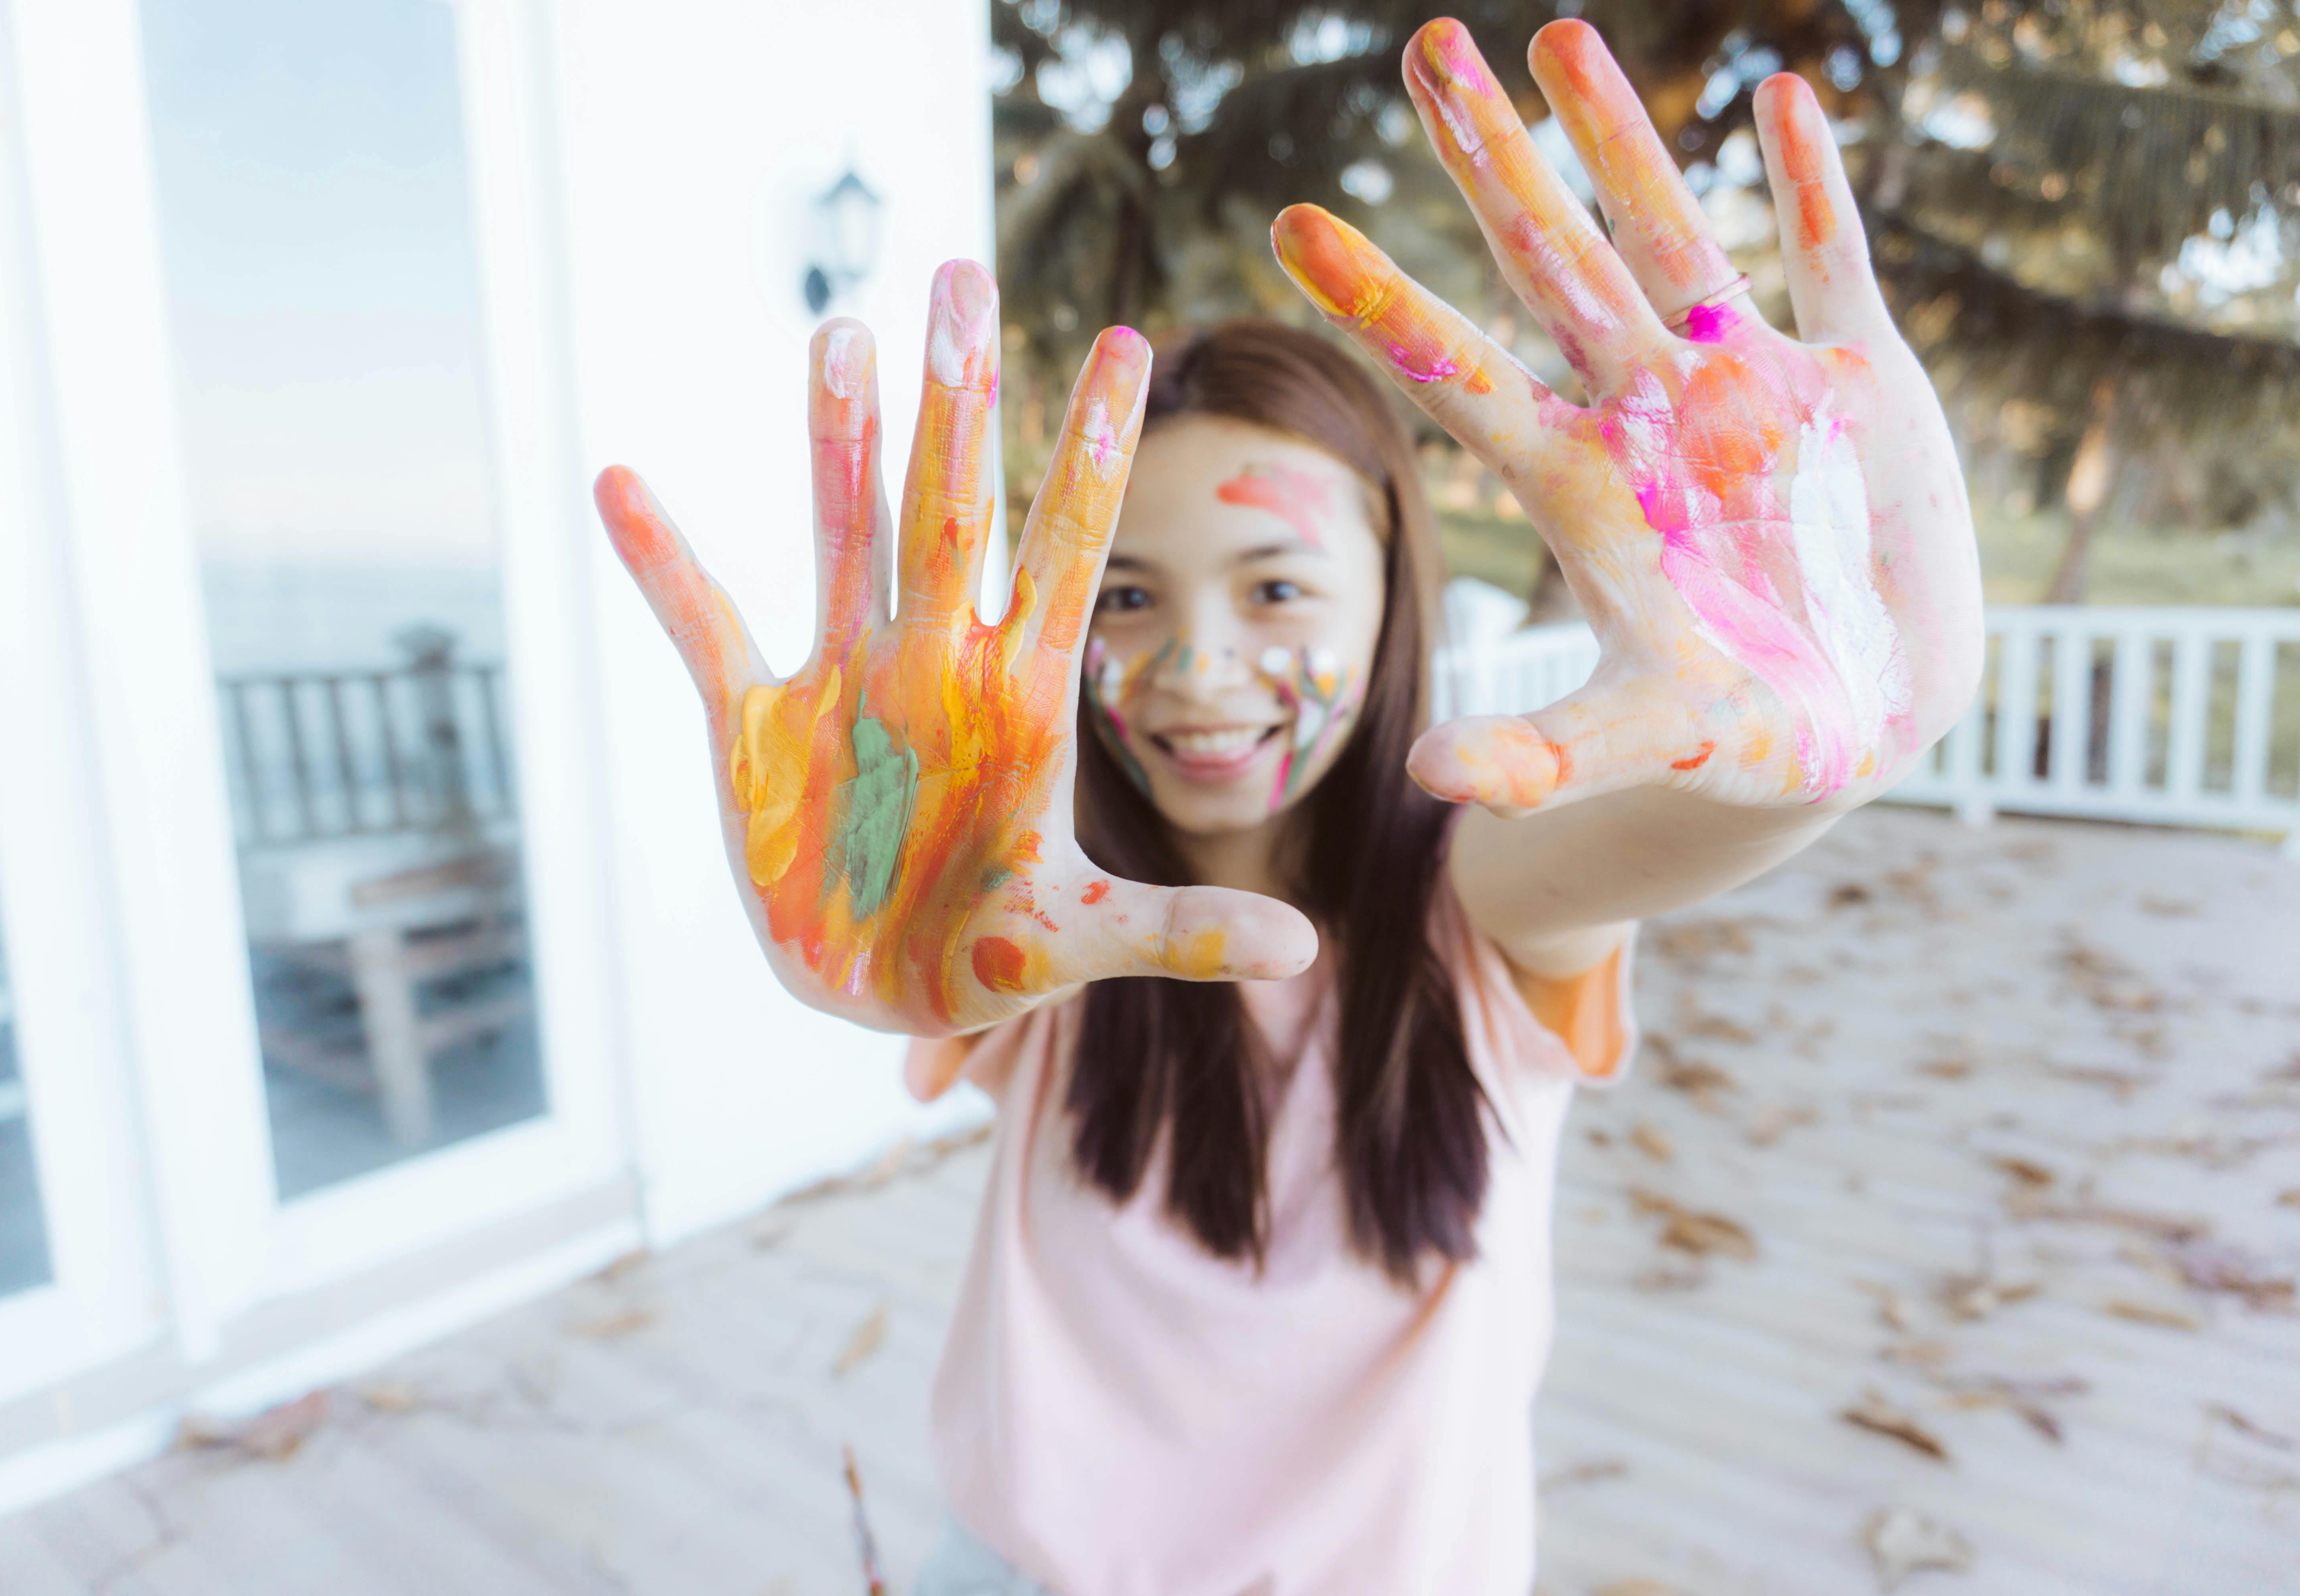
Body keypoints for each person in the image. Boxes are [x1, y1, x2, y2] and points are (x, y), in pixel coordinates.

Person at [593, 18, 1981, 1596]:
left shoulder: (1488, 901)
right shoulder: (1035, 921)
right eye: (1126, 594)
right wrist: (869, 886)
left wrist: (1830, 719)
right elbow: (935, 941)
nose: (1196, 662)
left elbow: (1677, 835)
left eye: (1274, 586)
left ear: (1393, 598)